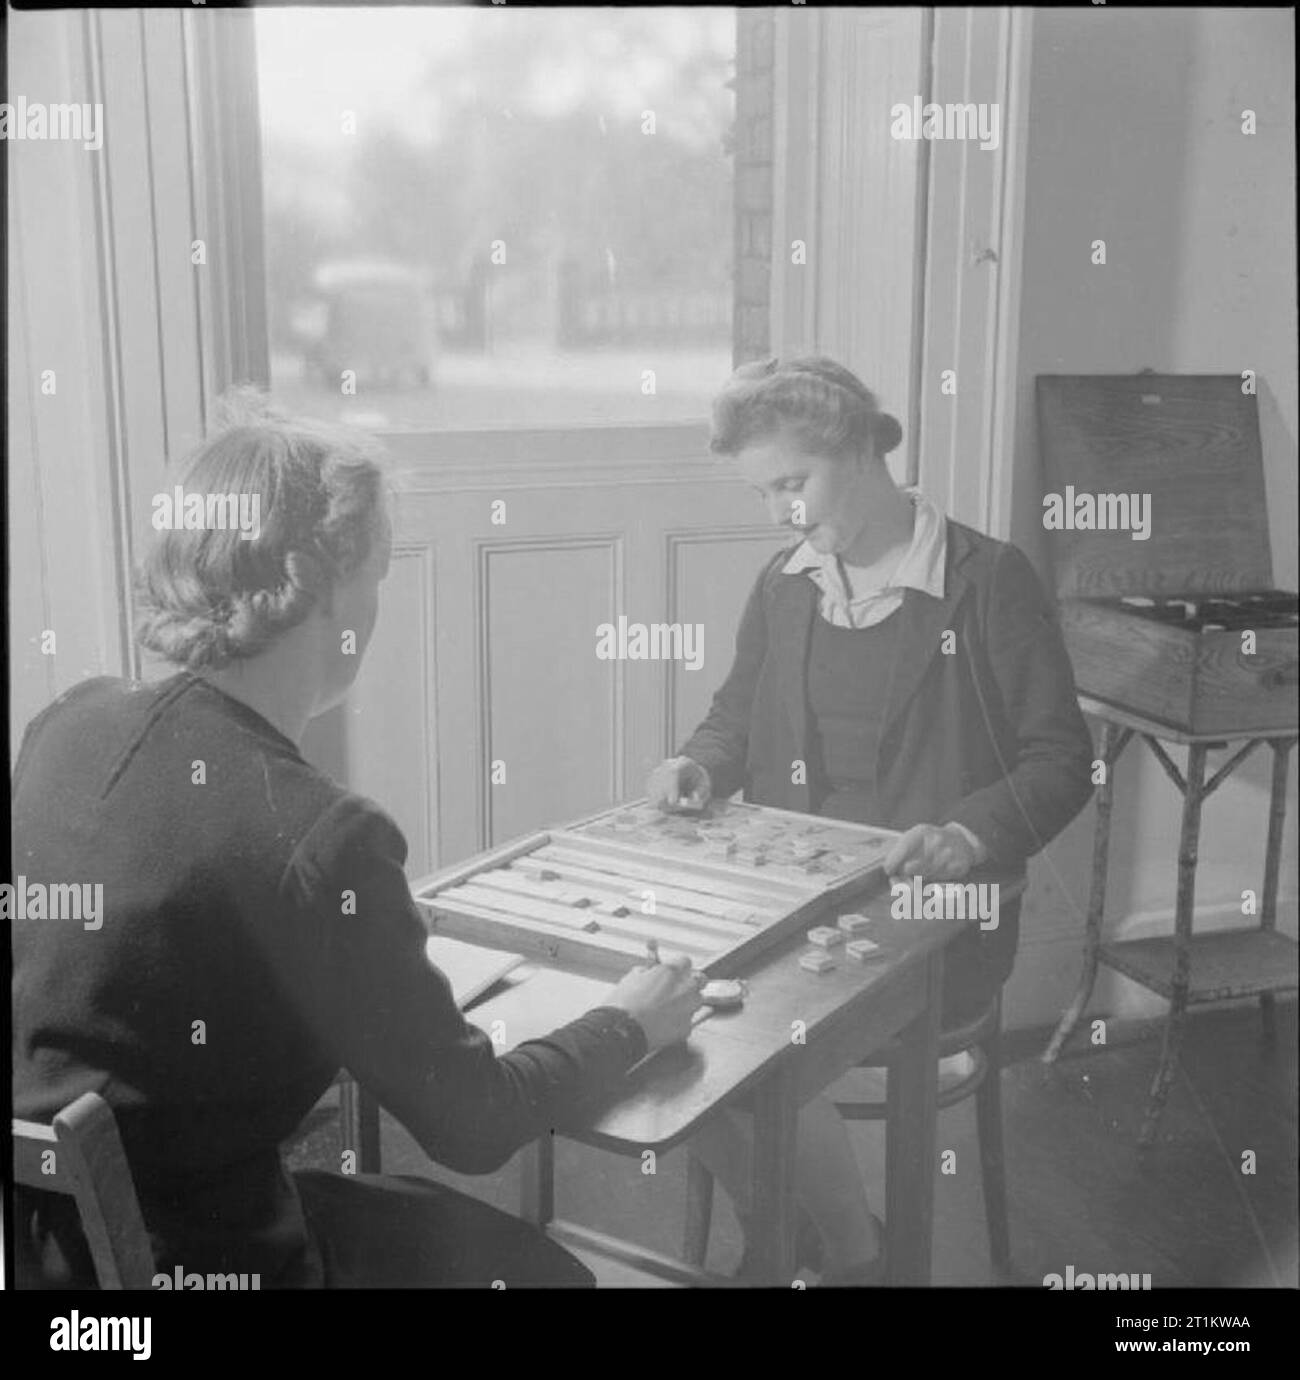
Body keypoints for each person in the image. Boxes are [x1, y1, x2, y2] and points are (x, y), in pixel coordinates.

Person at [12, 392, 703, 1289]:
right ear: (315, 579)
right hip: (201, 1262)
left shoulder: (69, 721)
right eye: (377, 572)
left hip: (41, 1250)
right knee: (546, 1277)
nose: (377, 604)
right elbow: (474, 1126)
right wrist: (629, 1023)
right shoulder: (323, 835)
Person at [647, 355, 1094, 1283]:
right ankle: (816, 1242)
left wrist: (966, 834)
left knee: (751, 1038)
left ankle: (840, 1257)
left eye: (792, 483)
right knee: (667, 1022)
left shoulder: (985, 581)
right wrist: (698, 762)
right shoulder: (787, 581)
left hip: (936, 919)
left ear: (857, 452)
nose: (783, 512)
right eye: (766, 492)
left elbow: (1062, 762)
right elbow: (735, 714)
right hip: (796, 898)